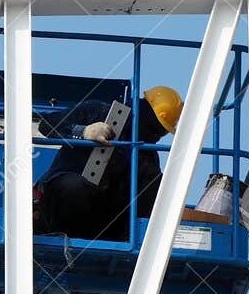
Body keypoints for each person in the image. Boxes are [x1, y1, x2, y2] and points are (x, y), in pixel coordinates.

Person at [31, 85, 184, 242]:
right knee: (73, 187)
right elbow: (47, 124)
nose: (154, 134)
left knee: (157, 186)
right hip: (62, 206)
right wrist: (82, 132)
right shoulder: (98, 112)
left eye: (160, 130)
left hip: (102, 224)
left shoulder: (147, 157)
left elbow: (146, 206)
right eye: (155, 127)